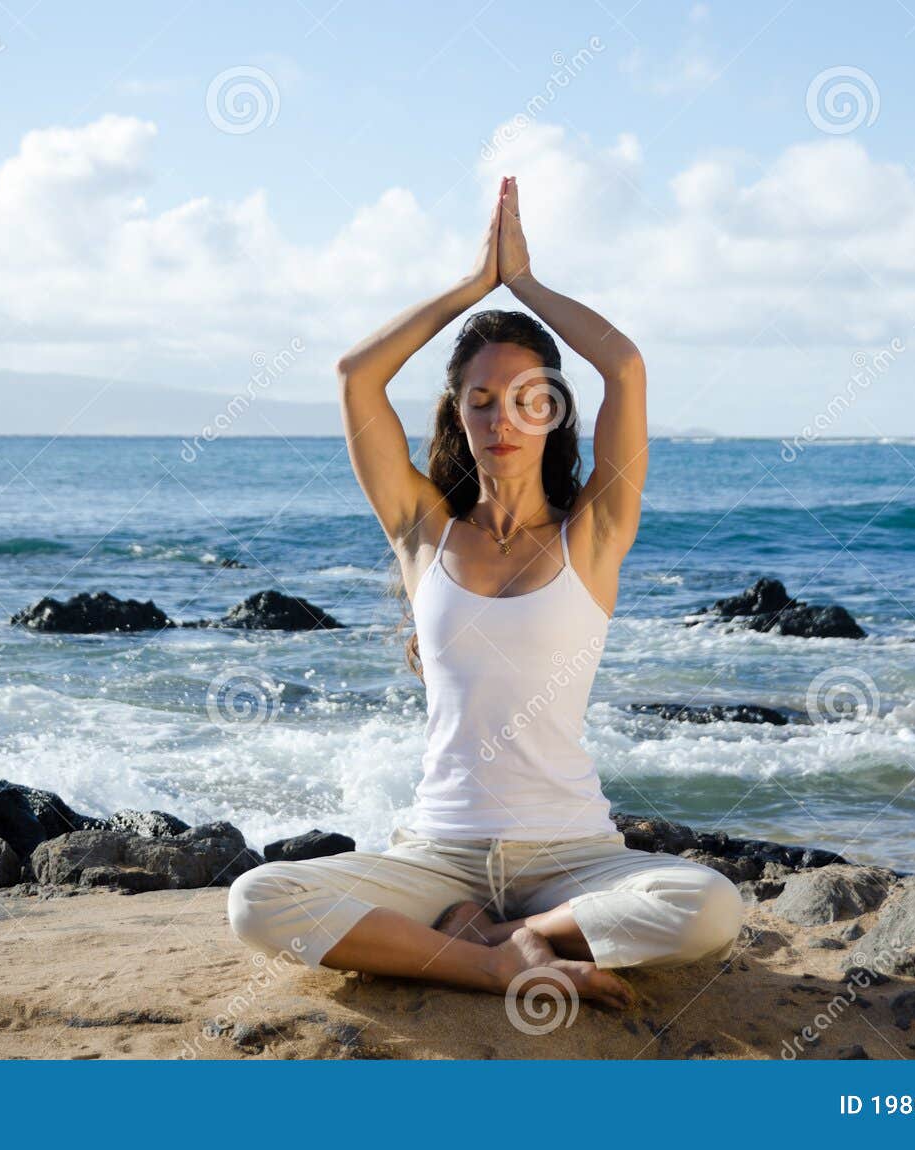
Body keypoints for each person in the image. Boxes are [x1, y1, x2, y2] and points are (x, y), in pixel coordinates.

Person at [227, 176, 743, 1010]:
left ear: (552, 414)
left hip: (572, 856)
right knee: (257, 901)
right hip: (440, 855)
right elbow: (357, 374)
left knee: (711, 905)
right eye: (480, 399)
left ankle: (505, 933)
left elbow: (625, 364)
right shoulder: (421, 531)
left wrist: (526, 284)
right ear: (457, 414)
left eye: (524, 399)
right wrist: (475, 285)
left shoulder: (595, 534)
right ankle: (494, 963)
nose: (501, 418)